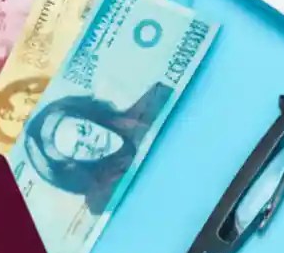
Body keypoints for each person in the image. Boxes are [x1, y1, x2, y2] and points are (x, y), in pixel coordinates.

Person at [20, 83, 173, 215]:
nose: (92, 142)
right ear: (76, 165)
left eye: (83, 130)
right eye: (78, 149)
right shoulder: (105, 197)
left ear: (90, 117)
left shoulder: (157, 100)